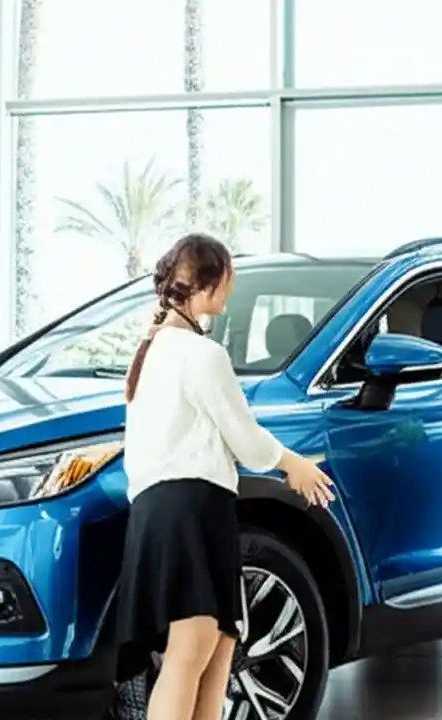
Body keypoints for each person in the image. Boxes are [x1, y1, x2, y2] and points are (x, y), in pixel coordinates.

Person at [114, 233, 335, 720]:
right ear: (211, 285)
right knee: (190, 652)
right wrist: (293, 465)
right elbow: (247, 440)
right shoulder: (201, 355)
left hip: (165, 513)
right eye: (229, 279)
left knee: (216, 651)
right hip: (190, 511)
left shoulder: (151, 353)